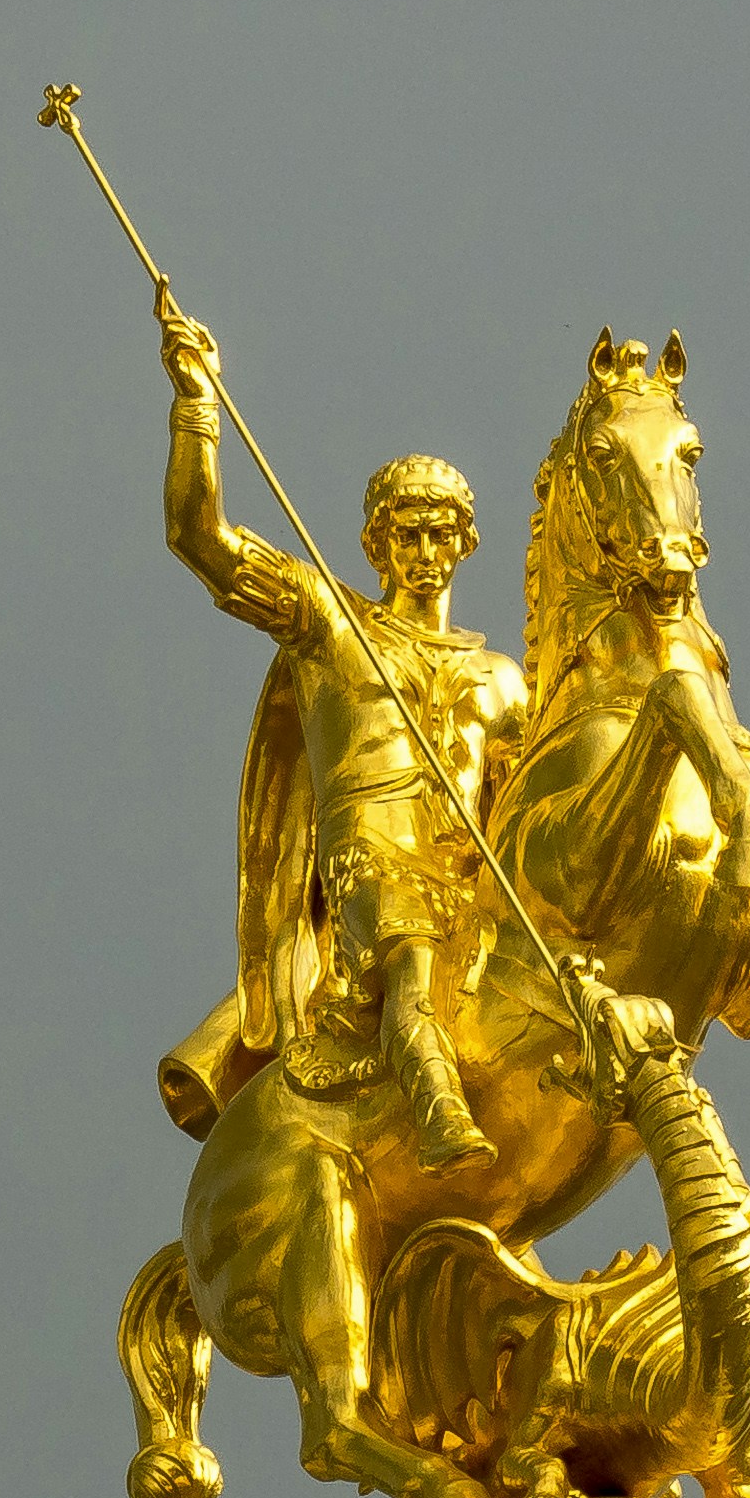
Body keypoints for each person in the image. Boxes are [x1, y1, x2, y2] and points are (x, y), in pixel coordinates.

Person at [148, 293, 526, 1160]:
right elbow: (198, 537)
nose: (424, 552)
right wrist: (197, 406)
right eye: (406, 536)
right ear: (373, 546)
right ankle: (434, 1107)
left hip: (468, 882)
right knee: (409, 948)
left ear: (465, 544)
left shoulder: (501, 680)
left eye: (439, 535)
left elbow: (526, 811)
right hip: (372, 870)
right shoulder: (330, 625)